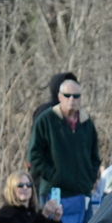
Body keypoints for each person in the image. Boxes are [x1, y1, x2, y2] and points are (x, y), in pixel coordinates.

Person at [27, 73, 101, 202]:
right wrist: (54, 177)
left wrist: (89, 179)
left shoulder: (87, 124)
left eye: (76, 96)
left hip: (82, 192)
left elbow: (94, 157)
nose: (71, 99)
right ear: (59, 96)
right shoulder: (45, 119)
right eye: (67, 95)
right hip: (53, 193)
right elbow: (34, 155)